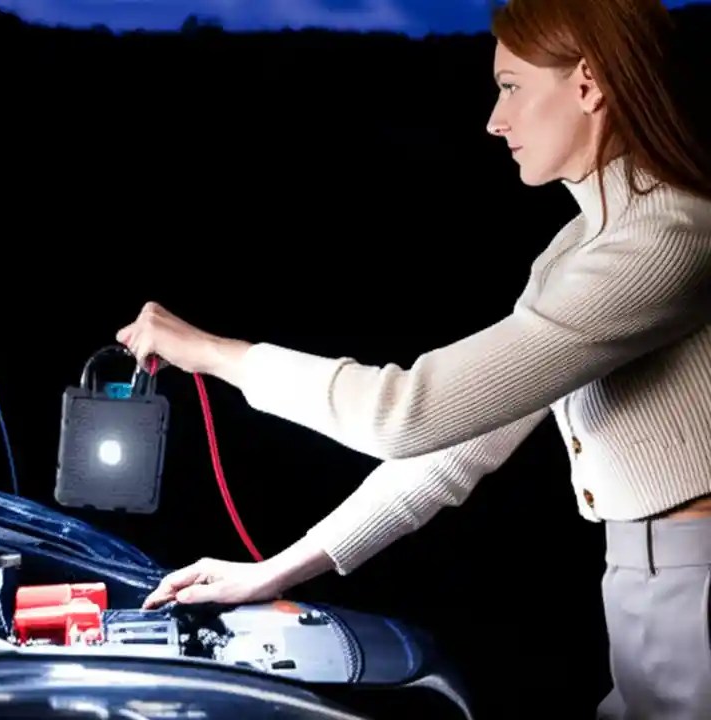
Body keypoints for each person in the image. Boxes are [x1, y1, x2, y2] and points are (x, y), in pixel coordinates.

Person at [114, 1, 711, 718]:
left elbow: (407, 414)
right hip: (645, 583)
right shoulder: (576, 253)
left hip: (694, 588)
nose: (495, 119)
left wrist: (213, 353)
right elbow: (454, 449)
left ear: (588, 84)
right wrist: (275, 571)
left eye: (512, 86)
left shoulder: (669, 238)